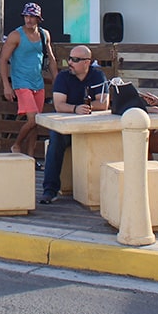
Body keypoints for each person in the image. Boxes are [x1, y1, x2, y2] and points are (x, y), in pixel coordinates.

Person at [39, 45, 108, 204]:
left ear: (87, 62)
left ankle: (100, 190)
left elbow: (104, 103)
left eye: (75, 60)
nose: (70, 62)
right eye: (69, 58)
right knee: (55, 140)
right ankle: (50, 190)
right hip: (68, 128)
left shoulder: (97, 75)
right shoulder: (63, 77)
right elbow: (59, 104)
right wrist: (76, 108)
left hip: (92, 128)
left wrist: (87, 108)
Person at [0, 2, 58, 159]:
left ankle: (31, 157)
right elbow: (3, 60)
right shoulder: (16, 35)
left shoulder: (44, 34)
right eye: (26, 16)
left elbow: (51, 58)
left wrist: (56, 79)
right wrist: (6, 85)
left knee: (35, 123)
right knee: (33, 118)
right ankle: (16, 144)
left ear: (38, 18)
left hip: (38, 81)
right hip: (21, 81)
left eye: (32, 16)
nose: (29, 19)